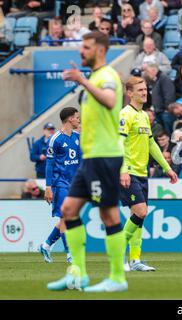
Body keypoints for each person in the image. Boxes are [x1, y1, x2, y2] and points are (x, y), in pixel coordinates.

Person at [48, 31, 127, 292]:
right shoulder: (94, 77)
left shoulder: (107, 76)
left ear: (101, 50)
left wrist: (81, 80)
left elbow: (109, 100)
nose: (81, 51)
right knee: (69, 210)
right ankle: (78, 274)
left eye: (86, 47)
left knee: (108, 213)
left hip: (104, 156)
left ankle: (117, 278)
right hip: (90, 158)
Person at [119, 76, 178, 272]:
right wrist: (123, 170)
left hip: (142, 173)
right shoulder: (125, 114)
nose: (144, 92)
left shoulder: (144, 115)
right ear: (130, 93)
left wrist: (167, 168)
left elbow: (151, 144)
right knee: (141, 211)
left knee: (139, 218)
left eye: (145, 89)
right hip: (128, 172)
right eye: (140, 90)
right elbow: (119, 144)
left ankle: (135, 260)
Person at [38, 107, 81, 265]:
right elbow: (49, 165)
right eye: (77, 117)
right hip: (59, 183)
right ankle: (70, 253)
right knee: (67, 217)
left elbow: (81, 162)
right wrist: (48, 187)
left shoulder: (77, 137)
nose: (78, 119)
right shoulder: (55, 139)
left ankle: (46, 245)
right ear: (70, 118)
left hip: (74, 184)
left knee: (67, 218)